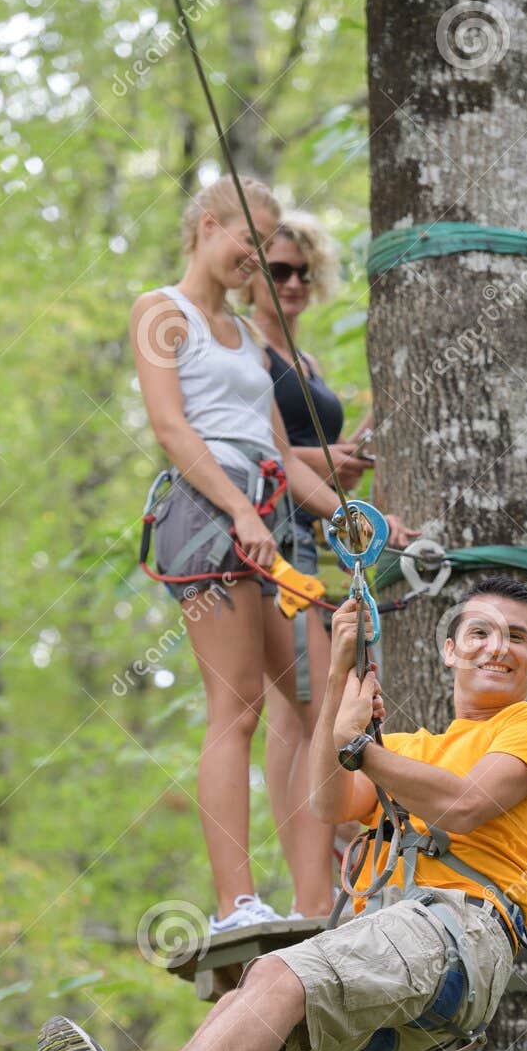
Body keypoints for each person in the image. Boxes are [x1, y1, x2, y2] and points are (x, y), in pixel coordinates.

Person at [22, 575, 527, 1051]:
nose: (497, 648)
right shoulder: (406, 751)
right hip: (405, 955)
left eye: (515, 638)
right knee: (240, 1012)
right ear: (449, 650)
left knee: (276, 974)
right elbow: (327, 803)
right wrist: (339, 680)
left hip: (457, 935)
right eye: (479, 633)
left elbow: (463, 805)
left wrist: (360, 749)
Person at [131, 175, 403, 934]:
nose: (257, 260)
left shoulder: (249, 341)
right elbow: (172, 429)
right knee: (238, 706)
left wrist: (360, 519)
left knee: (324, 705)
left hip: (271, 518)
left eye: (267, 245)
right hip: (207, 517)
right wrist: (236, 510)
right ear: (208, 225)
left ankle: (321, 903)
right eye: (249, 242)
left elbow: (285, 456)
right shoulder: (162, 311)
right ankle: (233, 905)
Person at [245, 212, 376, 919]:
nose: (292, 284)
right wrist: (330, 472)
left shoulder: (306, 362)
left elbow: (305, 455)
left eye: (302, 272)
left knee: (308, 709)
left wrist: (340, 467)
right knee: (302, 711)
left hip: (315, 535)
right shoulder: (245, 351)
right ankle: (308, 899)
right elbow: (262, 452)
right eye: (277, 271)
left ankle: (326, 887)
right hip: (274, 535)